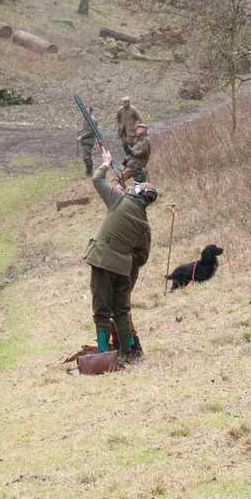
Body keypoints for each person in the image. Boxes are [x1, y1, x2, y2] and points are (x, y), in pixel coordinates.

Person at [85, 150, 158, 363]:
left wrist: (106, 163)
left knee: (101, 312)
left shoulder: (118, 200)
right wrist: (123, 258)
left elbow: (97, 179)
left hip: (102, 262)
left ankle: (104, 353)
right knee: (121, 311)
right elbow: (141, 257)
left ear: (134, 192)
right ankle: (127, 354)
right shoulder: (144, 223)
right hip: (123, 270)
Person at [77, 105, 97, 177]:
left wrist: (82, 136)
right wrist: (81, 131)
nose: (85, 111)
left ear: (90, 111)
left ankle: (89, 173)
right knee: (87, 156)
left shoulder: (92, 120)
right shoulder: (87, 118)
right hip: (86, 141)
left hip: (88, 141)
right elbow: (86, 128)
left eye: (87, 110)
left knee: (86, 157)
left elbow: (90, 131)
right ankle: (89, 173)